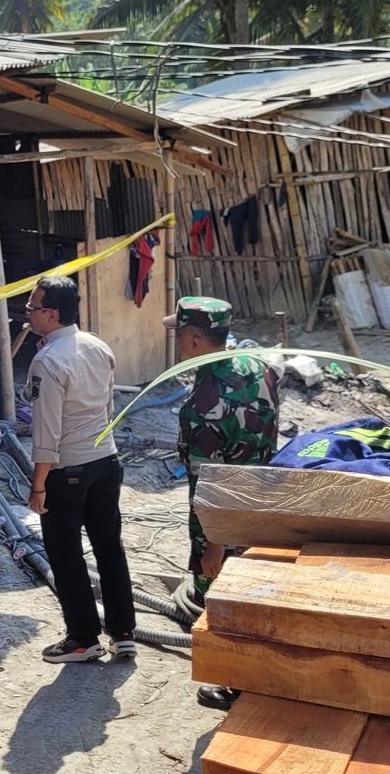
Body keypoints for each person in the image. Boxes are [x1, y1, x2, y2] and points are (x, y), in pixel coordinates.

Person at [164, 296, 279, 709]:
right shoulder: (257, 365)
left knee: (223, 601)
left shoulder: (202, 407)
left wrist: (214, 542)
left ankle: (238, 687)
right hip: (264, 505)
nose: (176, 342)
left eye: (179, 334)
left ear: (195, 341)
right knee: (255, 591)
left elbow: (213, 483)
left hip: (224, 521)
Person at [25, 275, 136, 664]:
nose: (28, 314)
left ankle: (82, 638)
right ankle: (123, 633)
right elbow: (104, 408)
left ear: (51, 314)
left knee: (65, 553)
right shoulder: (98, 346)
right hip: (107, 461)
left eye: (32, 308)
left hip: (67, 469)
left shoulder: (48, 361)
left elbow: (47, 433)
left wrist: (38, 486)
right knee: (109, 546)